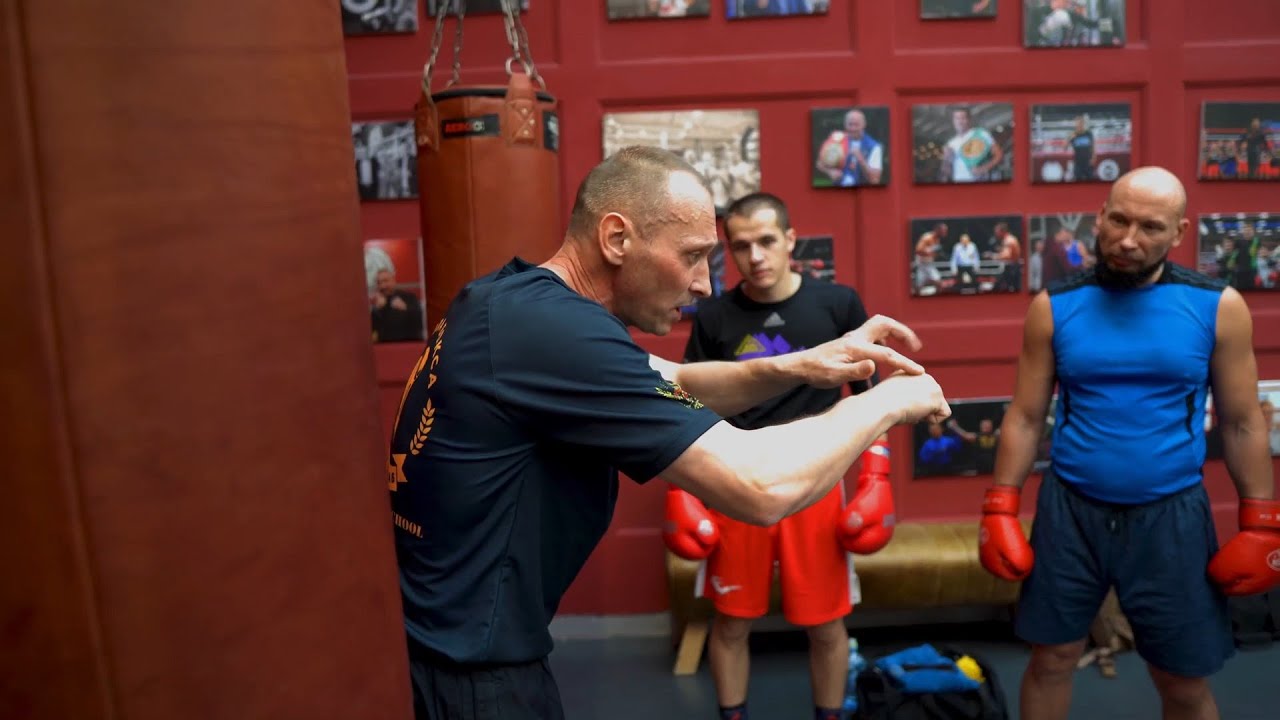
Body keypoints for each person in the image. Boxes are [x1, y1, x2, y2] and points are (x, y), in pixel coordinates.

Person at [387, 146, 951, 720]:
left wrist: (804, 364)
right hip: (472, 678)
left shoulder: (511, 302)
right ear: (616, 239)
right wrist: (889, 401)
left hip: (439, 644)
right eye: (693, 256)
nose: (705, 284)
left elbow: (675, 378)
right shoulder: (558, 334)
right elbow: (761, 488)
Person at [977, 166, 1280, 720]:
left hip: (1172, 517)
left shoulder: (1217, 307)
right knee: (1051, 659)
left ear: (1179, 233)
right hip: (1070, 512)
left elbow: (1242, 421)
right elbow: (1024, 415)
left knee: (1182, 681)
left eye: (1150, 227)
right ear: (1099, 216)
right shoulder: (1055, 306)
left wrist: (1261, 520)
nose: (1128, 240)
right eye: (1117, 220)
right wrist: (1000, 504)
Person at [674, 192, 893, 720]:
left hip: (815, 476)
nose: (756, 256)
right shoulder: (715, 316)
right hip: (737, 474)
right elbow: (685, 400)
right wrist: (684, 489)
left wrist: (876, 477)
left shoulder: (837, 304)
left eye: (767, 241)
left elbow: (873, 399)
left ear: (791, 240)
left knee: (826, 622)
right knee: (731, 620)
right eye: (741, 245)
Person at [816, 109, 884, 187]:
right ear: (845, 125)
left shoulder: (874, 146)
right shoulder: (838, 139)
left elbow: (875, 180)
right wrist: (830, 172)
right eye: (850, 124)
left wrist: (861, 159)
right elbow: (819, 163)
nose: (853, 128)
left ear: (864, 124)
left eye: (856, 125)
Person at [370, 268, 425, 342]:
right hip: (385, 347)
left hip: (409, 344)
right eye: (379, 283)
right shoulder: (377, 305)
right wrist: (376, 310)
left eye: (385, 281)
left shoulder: (408, 297)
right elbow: (371, 330)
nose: (383, 286)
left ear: (393, 280)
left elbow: (421, 322)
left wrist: (405, 308)